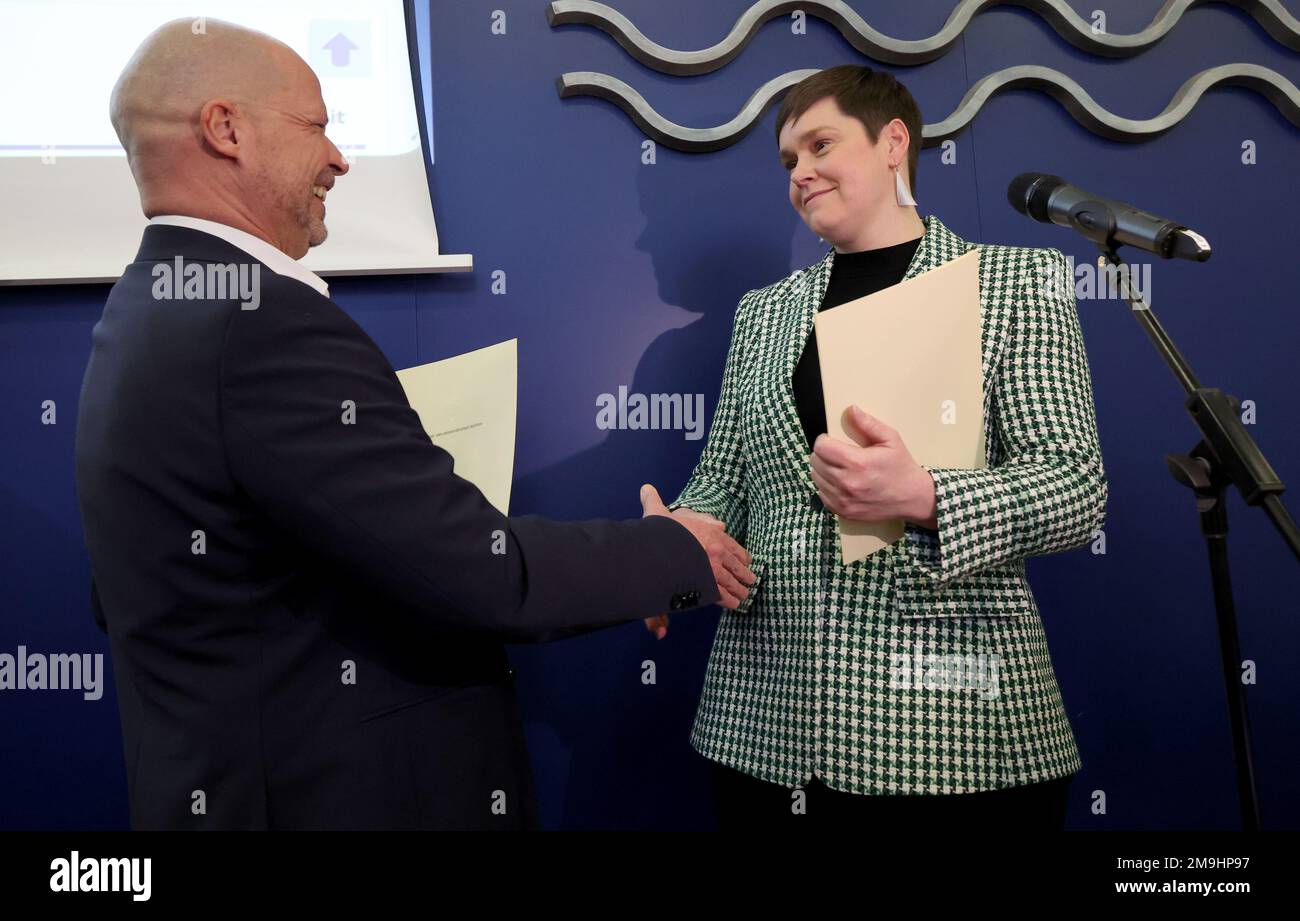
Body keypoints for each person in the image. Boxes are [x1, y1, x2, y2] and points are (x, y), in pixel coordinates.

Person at [74, 18, 753, 830]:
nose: (339, 158)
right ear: (226, 130)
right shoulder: (260, 324)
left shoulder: (141, 310)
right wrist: (671, 552)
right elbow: (478, 573)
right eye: (319, 127)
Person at [647, 65, 1107, 830]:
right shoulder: (763, 314)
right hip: (767, 728)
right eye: (788, 160)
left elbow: (1075, 489)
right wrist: (674, 539)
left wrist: (927, 497)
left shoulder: (1016, 281)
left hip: (954, 737)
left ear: (894, 142)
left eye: (820, 144)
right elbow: (721, 482)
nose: (801, 172)